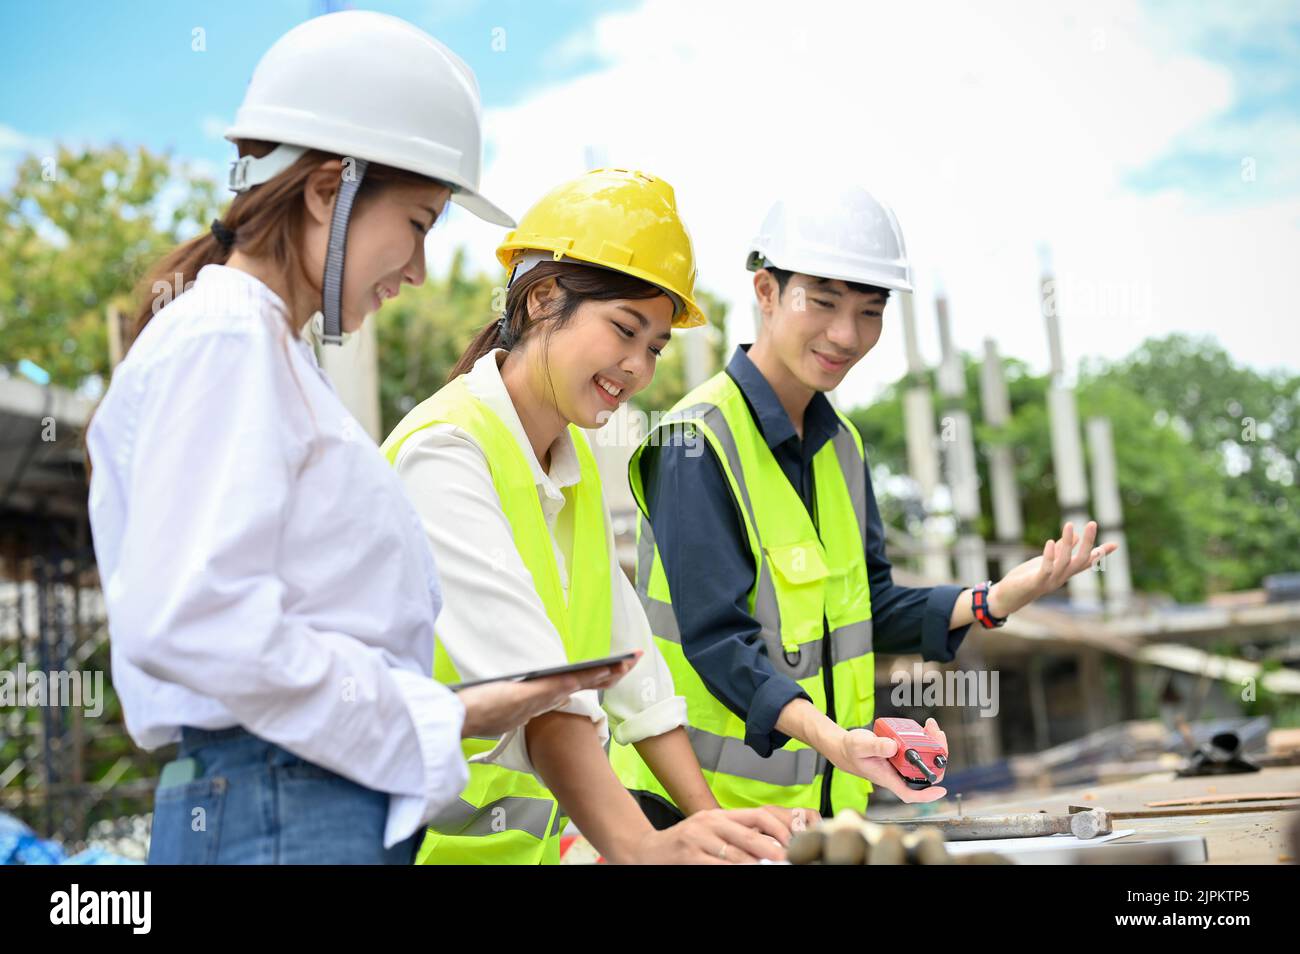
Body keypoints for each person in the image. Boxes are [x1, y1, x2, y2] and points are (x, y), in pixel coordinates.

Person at [86, 11, 631, 866]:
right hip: (280, 804)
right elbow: (197, 619)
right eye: (418, 222)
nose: (417, 270)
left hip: (302, 801)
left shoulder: (265, 354)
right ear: (326, 191)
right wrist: (439, 715)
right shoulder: (225, 342)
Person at [610, 186, 1117, 822]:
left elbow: (868, 607)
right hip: (693, 815)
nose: (846, 335)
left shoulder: (841, 446)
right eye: (822, 302)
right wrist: (833, 739)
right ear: (766, 292)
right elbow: (718, 643)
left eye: (871, 312)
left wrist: (995, 599)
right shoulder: (695, 442)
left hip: (817, 819)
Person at [383, 169, 799, 864]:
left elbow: (635, 675)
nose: (638, 366)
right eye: (624, 330)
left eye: (656, 348)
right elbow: (537, 691)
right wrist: (643, 847)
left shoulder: (569, 461)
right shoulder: (446, 452)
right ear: (544, 299)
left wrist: (716, 827)